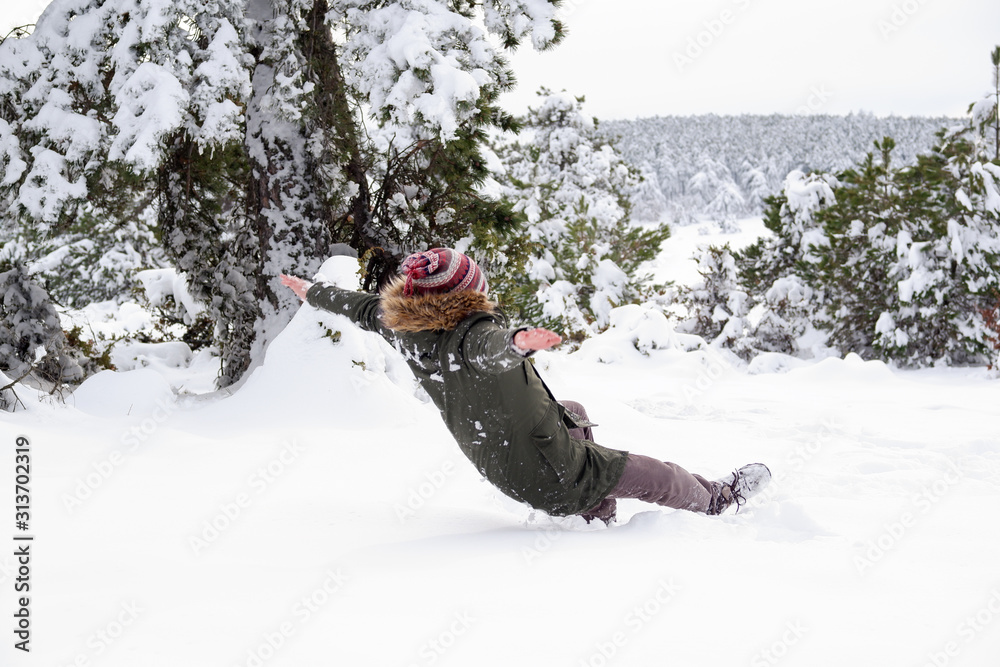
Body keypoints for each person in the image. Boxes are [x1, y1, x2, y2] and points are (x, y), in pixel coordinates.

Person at [280, 248, 770, 525]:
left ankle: (597, 520)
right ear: (464, 297)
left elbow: (359, 306)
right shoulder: (472, 336)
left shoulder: (401, 327)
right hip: (553, 474)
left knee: (572, 409)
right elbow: (489, 350)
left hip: (500, 462)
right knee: (657, 475)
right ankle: (719, 499)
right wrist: (517, 343)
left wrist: (312, 292)